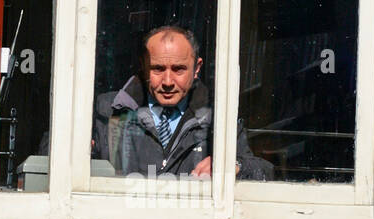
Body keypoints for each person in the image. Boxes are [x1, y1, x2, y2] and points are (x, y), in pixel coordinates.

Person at [92, 25, 268, 180]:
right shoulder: (106, 111)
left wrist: (233, 166)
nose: (168, 81)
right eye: (158, 69)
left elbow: (265, 172)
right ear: (143, 66)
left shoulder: (219, 118)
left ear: (197, 68)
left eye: (178, 69)